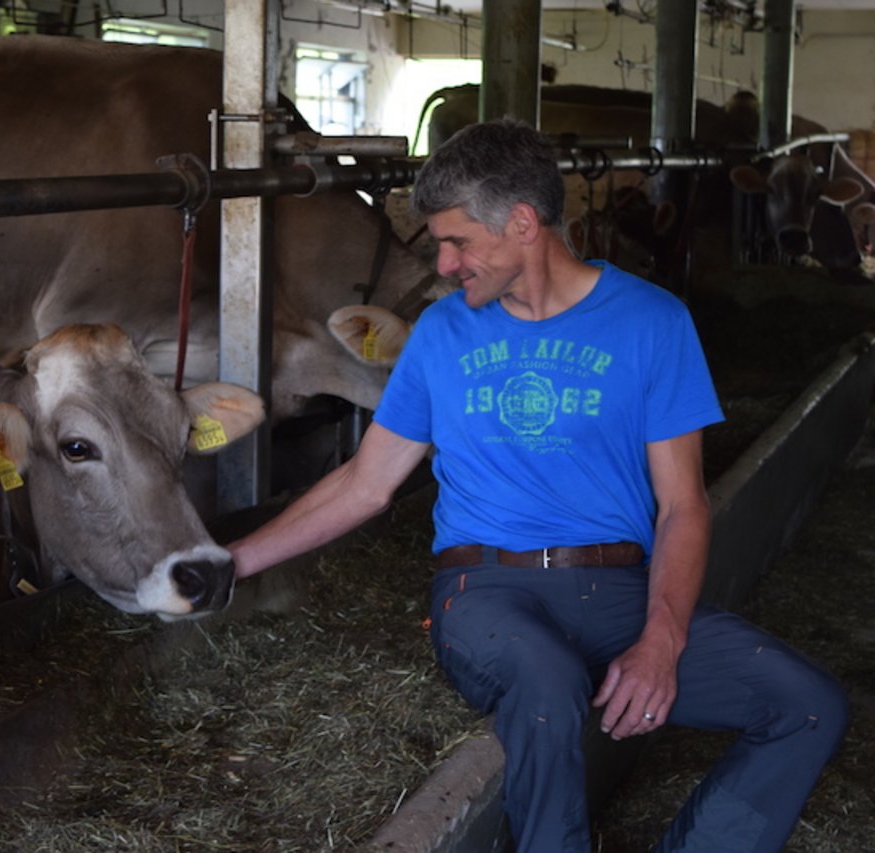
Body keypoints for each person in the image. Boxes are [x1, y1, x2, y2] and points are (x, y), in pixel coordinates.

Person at [227, 118, 848, 852]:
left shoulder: (653, 324)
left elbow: (684, 505)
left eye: (458, 242)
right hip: (486, 591)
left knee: (808, 705)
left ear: (522, 223)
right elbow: (365, 484)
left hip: (621, 590)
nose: (446, 263)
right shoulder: (441, 334)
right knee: (549, 687)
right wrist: (233, 561)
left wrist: (661, 638)